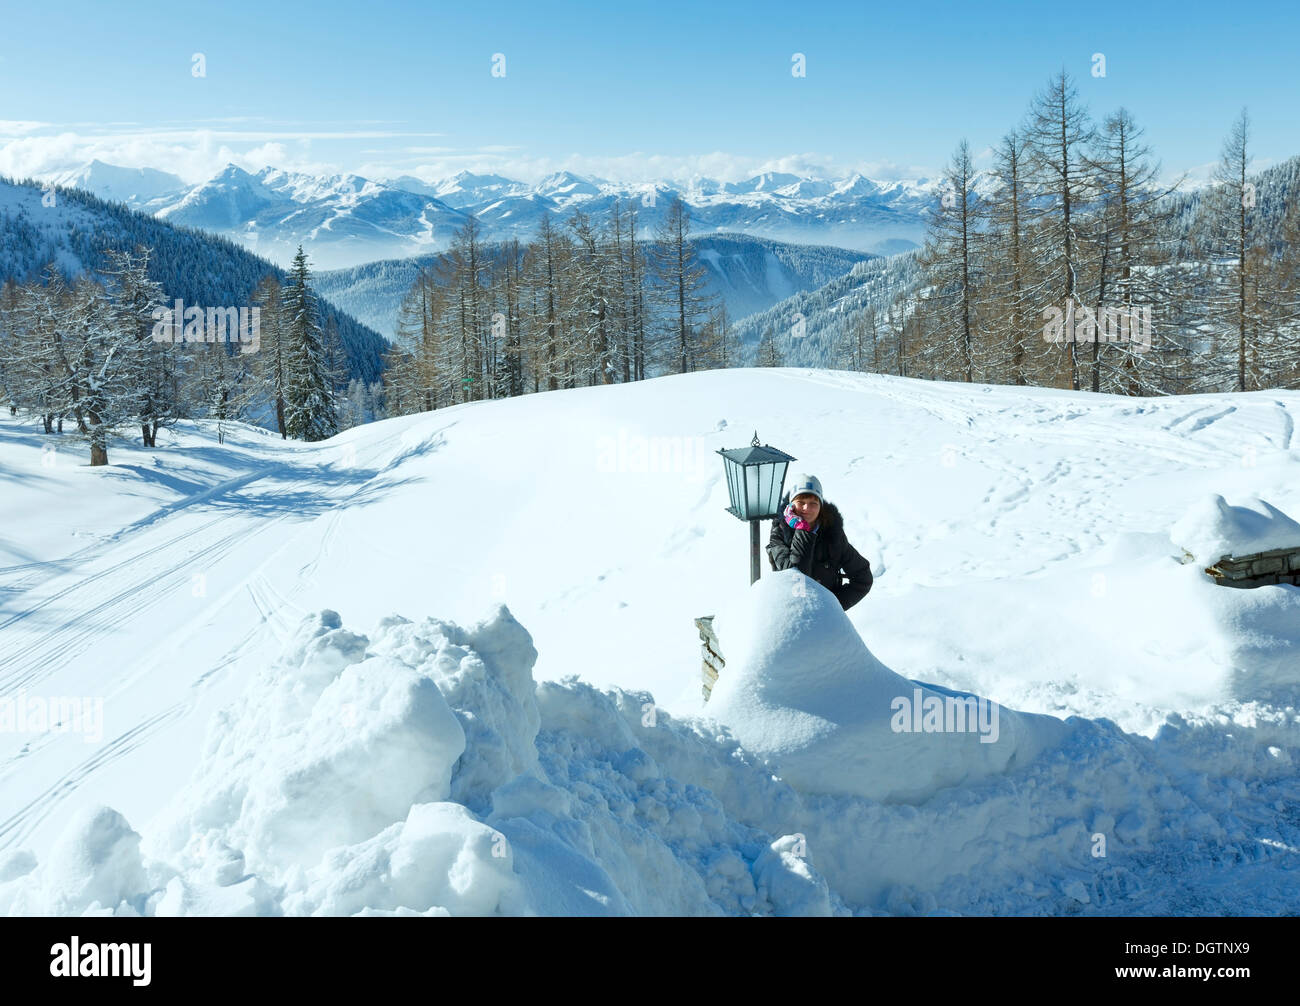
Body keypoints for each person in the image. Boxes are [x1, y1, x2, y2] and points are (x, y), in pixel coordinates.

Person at [767, 473, 873, 611]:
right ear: (791, 505)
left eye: (813, 503)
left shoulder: (833, 534)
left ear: (820, 507)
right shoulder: (780, 532)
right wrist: (803, 531)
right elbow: (797, 578)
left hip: (824, 622)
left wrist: (832, 607)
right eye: (801, 502)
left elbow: (863, 578)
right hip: (791, 616)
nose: (807, 508)